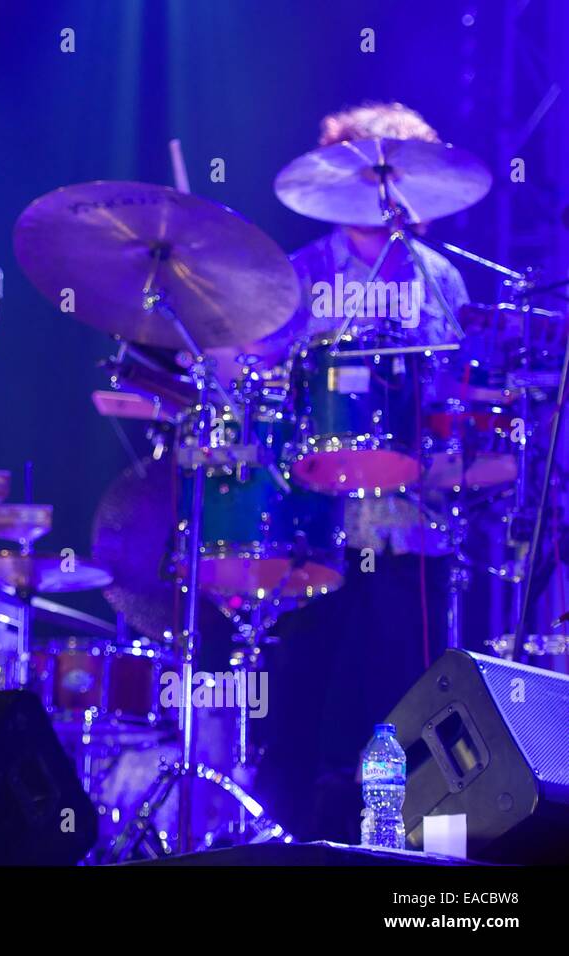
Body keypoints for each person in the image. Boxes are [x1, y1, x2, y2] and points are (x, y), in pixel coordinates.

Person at [255, 103, 470, 841]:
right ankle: (283, 844)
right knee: (297, 712)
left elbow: (459, 403)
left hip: (415, 531)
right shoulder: (298, 278)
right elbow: (259, 386)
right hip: (312, 529)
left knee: (406, 709)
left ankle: (408, 860)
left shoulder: (442, 282)